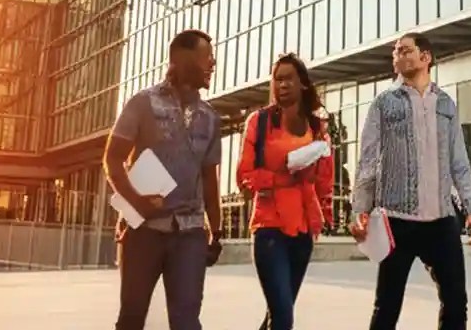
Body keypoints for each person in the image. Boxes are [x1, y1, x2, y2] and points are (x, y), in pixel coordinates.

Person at [350, 32, 471, 330]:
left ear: (426, 57)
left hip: (442, 221)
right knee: (386, 306)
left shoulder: (446, 104)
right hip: (398, 221)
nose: (398, 56)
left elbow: (459, 161)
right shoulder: (383, 104)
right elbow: (368, 159)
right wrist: (361, 207)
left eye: (406, 50)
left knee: (455, 303)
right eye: (395, 52)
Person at [103, 29, 223, 330]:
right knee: (131, 317)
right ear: (185, 59)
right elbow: (113, 158)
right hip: (143, 231)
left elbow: (210, 178)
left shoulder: (210, 117)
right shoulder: (143, 103)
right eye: (207, 56)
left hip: (190, 233)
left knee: (186, 322)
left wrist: (216, 231)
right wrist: (135, 202)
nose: (213, 63)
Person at [238, 53, 334, 330]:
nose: (282, 85)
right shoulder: (260, 122)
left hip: (303, 230)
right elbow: (244, 175)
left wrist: (325, 212)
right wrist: (284, 173)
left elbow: (324, 178)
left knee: (278, 312)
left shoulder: (317, 128)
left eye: (288, 78)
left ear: (303, 83)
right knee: (283, 317)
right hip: (269, 227)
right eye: (277, 79)